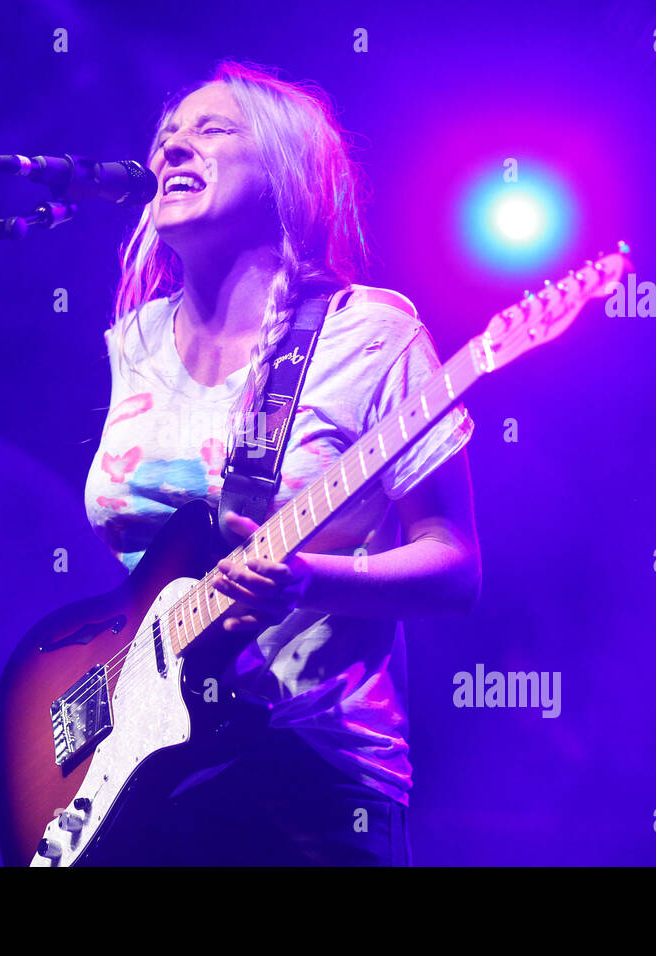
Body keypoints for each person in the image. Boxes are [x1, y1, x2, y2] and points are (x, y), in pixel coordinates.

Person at [82, 60, 480, 865]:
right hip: (144, 770)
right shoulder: (134, 342)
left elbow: (456, 566)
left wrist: (313, 581)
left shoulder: (367, 333)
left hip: (307, 778)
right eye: (166, 137)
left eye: (212, 130)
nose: (174, 148)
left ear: (286, 173)